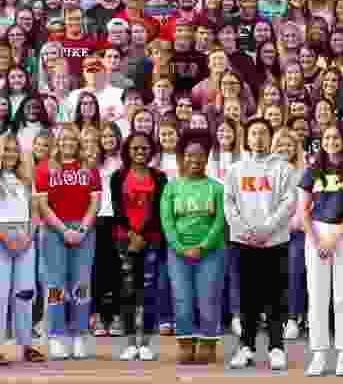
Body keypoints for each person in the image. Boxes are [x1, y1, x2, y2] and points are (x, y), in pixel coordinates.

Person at [223, 118, 297, 370]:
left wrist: (267, 229)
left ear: (270, 137)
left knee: (276, 297)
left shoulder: (284, 169)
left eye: (263, 133)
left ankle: (277, 347)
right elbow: (229, 204)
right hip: (243, 243)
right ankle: (247, 347)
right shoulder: (235, 169)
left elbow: (289, 203)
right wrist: (245, 230)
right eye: (254, 133)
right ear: (247, 138)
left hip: (275, 242)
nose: (258, 138)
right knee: (247, 299)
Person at [299, 123, 343, 377]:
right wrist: (317, 241)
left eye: (336, 136)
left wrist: (336, 237)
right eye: (327, 137)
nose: (332, 141)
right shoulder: (312, 171)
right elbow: (303, 211)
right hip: (317, 234)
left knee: (342, 297)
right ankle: (318, 352)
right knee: (317, 295)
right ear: (322, 141)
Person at [161, 131, 230, 365]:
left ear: (207, 159)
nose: (195, 160)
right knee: (182, 298)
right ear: (182, 158)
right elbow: (167, 222)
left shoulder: (217, 188)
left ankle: (208, 342)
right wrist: (180, 247)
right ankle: (186, 342)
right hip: (178, 253)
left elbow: (220, 221)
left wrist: (203, 246)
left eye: (200, 156)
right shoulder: (171, 188)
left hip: (211, 252)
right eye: (190, 156)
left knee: (208, 298)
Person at [35, 123, 100, 360]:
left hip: (83, 229)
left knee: (81, 283)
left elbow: (95, 202)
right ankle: (56, 335)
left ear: (79, 143)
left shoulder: (89, 168)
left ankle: (79, 334)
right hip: (54, 230)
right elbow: (42, 205)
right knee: (56, 285)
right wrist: (63, 230)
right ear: (57, 143)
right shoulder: (44, 168)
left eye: (73, 140)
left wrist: (81, 229)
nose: (68, 144)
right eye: (63, 140)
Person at [0, 132, 41, 364]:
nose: (10, 154)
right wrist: (5, 238)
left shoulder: (26, 179)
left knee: (25, 293)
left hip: (25, 236)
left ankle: (26, 345)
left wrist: (28, 237)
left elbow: (35, 212)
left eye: (14, 149)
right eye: (6, 149)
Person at [109, 129, 168, 363]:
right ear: (128, 151)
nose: (140, 152)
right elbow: (117, 209)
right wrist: (132, 235)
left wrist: (141, 235)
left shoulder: (159, 177)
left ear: (151, 150)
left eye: (144, 148)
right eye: (135, 148)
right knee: (127, 290)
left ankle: (145, 343)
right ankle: (130, 342)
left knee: (149, 289)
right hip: (124, 239)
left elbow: (158, 211)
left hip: (151, 238)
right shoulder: (118, 176)